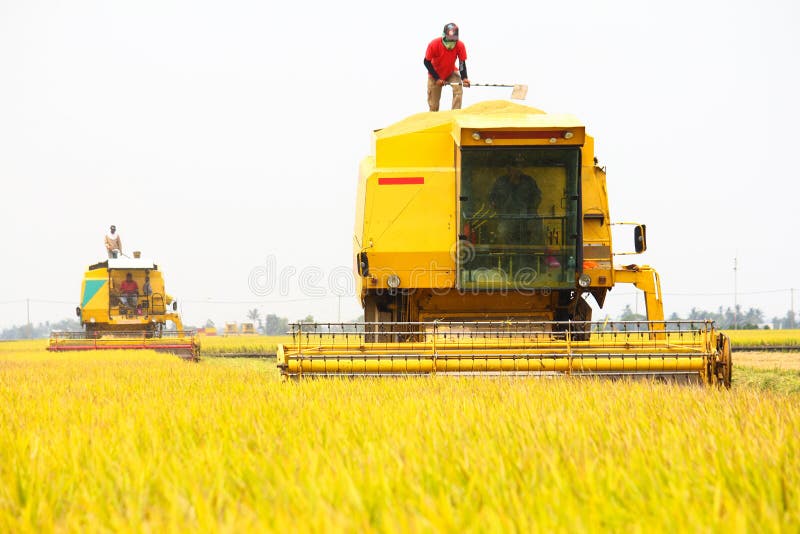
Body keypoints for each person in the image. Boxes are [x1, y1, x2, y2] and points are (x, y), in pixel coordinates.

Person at [488, 154, 542, 244]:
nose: (517, 169)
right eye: (514, 166)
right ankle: (504, 256)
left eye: (520, 166)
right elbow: (492, 199)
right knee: (502, 232)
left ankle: (535, 256)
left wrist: (530, 211)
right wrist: (500, 210)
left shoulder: (529, 181)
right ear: (508, 168)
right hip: (506, 219)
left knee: (538, 230)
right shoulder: (500, 182)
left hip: (527, 219)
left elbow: (537, 197)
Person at [424, 22, 470, 112]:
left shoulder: (460, 45)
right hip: (434, 74)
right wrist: (437, 78)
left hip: (450, 71)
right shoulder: (434, 44)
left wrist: (464, 78)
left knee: (458, 88)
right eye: (449, 39)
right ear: (443, 36)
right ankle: (433, 118)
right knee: (433, 105)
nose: (451, 42)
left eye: (453, 40)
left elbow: (461, 63)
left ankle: (455, 113)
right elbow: (426, 62)